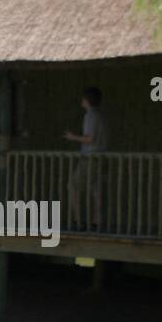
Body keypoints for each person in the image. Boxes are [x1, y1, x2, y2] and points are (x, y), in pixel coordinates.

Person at [65, 86, 108, 230]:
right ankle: (98, 220)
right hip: (101, 156)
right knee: (96, 189)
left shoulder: (90, 116)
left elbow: (90, 139)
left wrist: (72, 137)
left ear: (86, 100)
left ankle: (78, 220)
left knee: (73, 185)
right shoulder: (101, 115)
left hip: (90, 157)